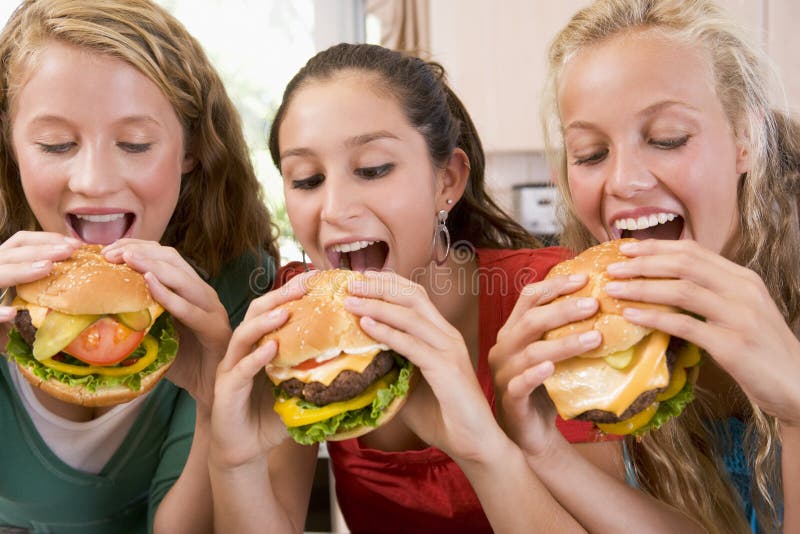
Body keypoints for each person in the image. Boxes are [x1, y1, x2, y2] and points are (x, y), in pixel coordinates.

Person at [208, 42, 625, 534]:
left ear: (447, 180)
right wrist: (232, 462)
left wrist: (482, 448)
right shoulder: (294, 316)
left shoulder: (553, 296)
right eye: (307, 179)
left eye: (373, 169)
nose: (335, 209)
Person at [489, 0, 799, 533]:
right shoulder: (585, 325)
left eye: (667, 139)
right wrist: (539, 446)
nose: (625, 181)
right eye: (589, 153)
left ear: (745, 138)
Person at [0, 0, 278, 532]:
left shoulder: (236, 289)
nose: (95, 180)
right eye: (55, 144)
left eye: (134, 143)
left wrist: (214, 400)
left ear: (191, 148)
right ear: (10, 146)